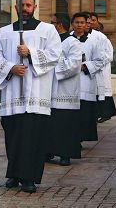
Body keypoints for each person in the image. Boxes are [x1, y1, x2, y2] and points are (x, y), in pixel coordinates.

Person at [0, 0, 61, 193]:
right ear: (15, 7)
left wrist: (30, 54)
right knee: (13, 136)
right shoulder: (4, 32)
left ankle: (28, 177)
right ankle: (14, 173)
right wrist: (11, 68)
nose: (25, 9)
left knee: (32, 138)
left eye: (28, 5)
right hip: (12, 95)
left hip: (37, 95)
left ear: (35, 7)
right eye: (21, 5)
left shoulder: (47, 30)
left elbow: (55, 55)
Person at [47, 13, 83, 166]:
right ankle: (48, 151)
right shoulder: (50, 41)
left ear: (59, 25)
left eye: (52, 22)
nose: (51, 25)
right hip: (49, 89)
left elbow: (74, 65)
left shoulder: (72, 42)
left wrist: (54, 62)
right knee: (50, 125)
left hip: (65, 91)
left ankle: (65, 154)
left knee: (65, 125)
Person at [71, 12, 105, 142]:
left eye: (82, 22)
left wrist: (84, 67)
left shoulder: (94, 41)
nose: (79, 25)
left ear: (86, 25)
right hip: (70, 83)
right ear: (72, 24)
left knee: (83, 114)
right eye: (77, 22)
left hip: (85, 82)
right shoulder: (66, 39)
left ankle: (80, 138)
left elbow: (100, 60)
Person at [89, 14, 116, 124]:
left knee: (103, 93)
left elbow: (109, 55)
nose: (91, 22)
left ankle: (105, 114)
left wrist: (97, 62)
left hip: (101, 69)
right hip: (91, 70)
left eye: (93, 20)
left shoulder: (103, 38)